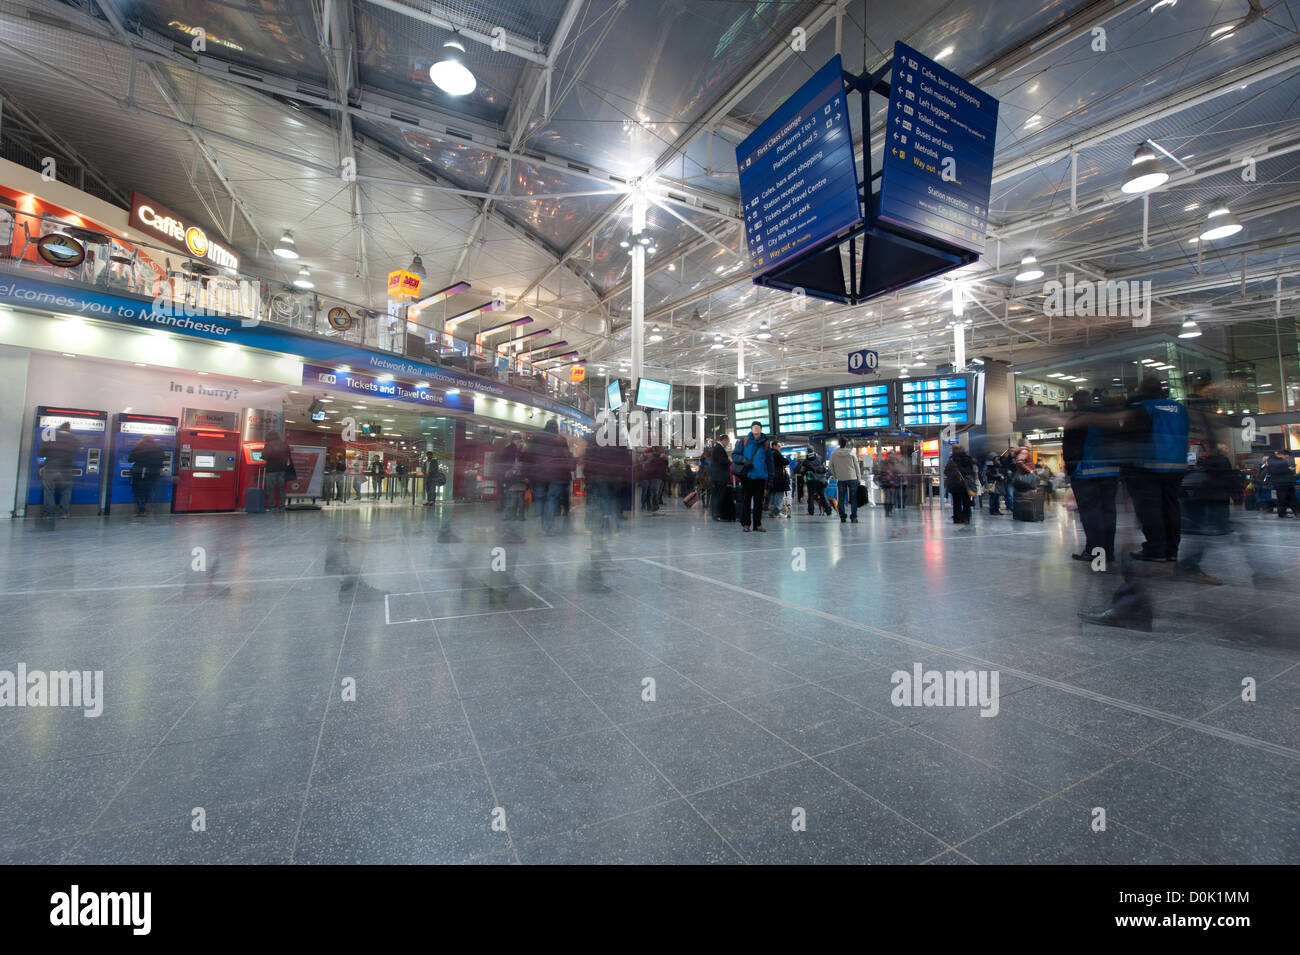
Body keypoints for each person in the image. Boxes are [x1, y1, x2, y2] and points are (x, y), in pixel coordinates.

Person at [1124, 376, 1190, 561]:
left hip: (1149, 466)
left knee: (1150, 510)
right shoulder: (1180, 408)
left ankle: (1155, 549)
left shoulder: (1144, 408)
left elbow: (1133, 439)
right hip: (1176, 466)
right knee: (1171, 508)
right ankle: (1172, 550)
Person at [1063, 389, 1120, 564]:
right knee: (1108, 512)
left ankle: (1095, 553)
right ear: (1091, 400)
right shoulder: (1108, 417)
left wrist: (1071, 471)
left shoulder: (1077, 419)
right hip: (1110, 472)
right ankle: (1108, 552)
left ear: (1074, 403)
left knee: (1091, 514)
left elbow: (1071, 449)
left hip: (1086, 472)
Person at [523, 419, 572, 535]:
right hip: (556, 475)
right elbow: (565, 458)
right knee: (552, 499)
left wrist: (527, 473)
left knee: (540, 498)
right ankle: (547, 527)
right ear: (556, 428)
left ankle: (540, 517)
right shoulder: (560, 439)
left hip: (539, 474)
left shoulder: (537, 437)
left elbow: (529, 455)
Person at [732, 421, 770, 532]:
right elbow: (735, 455)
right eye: (754, 427)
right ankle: (746, 524)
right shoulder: (744, 441)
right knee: (746, 501)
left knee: (759, 502)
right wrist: (743, 460)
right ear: (751, 429)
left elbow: (769, 461)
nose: (756, 429)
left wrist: (771, 476)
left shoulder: (766, 443)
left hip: (761, 477)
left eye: (758, 427)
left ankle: (757, 524)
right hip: (747, 476)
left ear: (761, 429)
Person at [39, 421, 79, 519]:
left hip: (51, 466)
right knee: (66, 490)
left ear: (59, 428)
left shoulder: (52, 436)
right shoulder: (74, 438)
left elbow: (41, 452)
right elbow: (75, 452)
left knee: (49, 490)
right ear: (69, 429)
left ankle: (48, 514)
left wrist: (43, 464)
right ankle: (64, 513)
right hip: (66, 467)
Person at [127, 434, 165, 515]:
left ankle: (141, 508)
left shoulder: (138, 448)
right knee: (149, 490)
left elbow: (130, 460)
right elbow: (162, 462)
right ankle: (149, 509)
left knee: (138, 491)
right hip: (153, 473)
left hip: (139, 472)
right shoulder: (159, 449)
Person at [829, 437, 862, 524]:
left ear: (839, 443)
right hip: (852, 477)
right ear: (846, 443)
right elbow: (856, 466)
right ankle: (854, 517)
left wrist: (836, 476)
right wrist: (859, 478)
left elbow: (830, 467)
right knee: (853, 498)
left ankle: (843, 517)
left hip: (841, 478)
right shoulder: (851, 452)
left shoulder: (834, 453)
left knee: (841, 498)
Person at [944, 444, 978, 524]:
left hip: (955, 484)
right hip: (966, 483)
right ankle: (966, 518)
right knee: (966, 501)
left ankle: (957, 518)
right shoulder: (969, 459)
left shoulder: (952, 460)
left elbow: (946, 471)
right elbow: (973, 471)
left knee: (956, 502)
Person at [262, 432, 292, 512]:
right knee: (281, 489)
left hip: (271, 469)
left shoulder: (269, 445)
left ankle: (272, 507)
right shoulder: (284, 444)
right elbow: (288, 455)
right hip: (282, 469)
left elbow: (265, 455)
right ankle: (282, 506)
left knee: (271, 489)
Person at [798, 450, 832, 516]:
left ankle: (811, 512)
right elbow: (824, 469)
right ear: (813, 451)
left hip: (810, 480)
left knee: (810, 496)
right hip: (820, 480)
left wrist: (805, 475)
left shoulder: (805, 461)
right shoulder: (820, 458)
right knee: (823, 495)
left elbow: (802, 471)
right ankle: (828, 511)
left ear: (808, 452)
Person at [1267, 449, 1297, 518]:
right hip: (1280, 484)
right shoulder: (1273, 461)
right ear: (1282, 454)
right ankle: (1282, 514)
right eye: (1286, 457)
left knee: (1292, 499)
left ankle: (1297, 513)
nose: (1286, 459)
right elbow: (1275, 471)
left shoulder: (1280, 461)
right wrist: (1288, 469)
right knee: (1282, 499)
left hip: (1287, 483)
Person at [709, 432, 731, 522]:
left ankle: (716, 514)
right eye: (728, 442)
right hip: (719, 477)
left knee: (716, 496)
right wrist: (729, 461)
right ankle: (716, 514)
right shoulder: (718, 448)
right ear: (724, 440)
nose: (728, 444)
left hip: (717, 476)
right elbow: (722, 460)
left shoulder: (717, 448)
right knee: (718, 496)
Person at [768, 440, 790, 518]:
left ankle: (771, 511)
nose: (779, 448)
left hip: (771, 477)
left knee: (773, 495)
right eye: (778, 446)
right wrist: (785, 460)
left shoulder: (769, 453)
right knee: (779, 495)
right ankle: (777, 512)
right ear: (774, 446)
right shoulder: (776, 453)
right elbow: (785, 461)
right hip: (778, 477)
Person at [875, 452, 900, 516]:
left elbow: (896, 473)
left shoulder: (894, 463)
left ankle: (889, 509)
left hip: (891, 483)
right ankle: (887, 510)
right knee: (888, 497)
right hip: (886, 483)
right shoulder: (885, 463)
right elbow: (881, 473)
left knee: (891, 497)